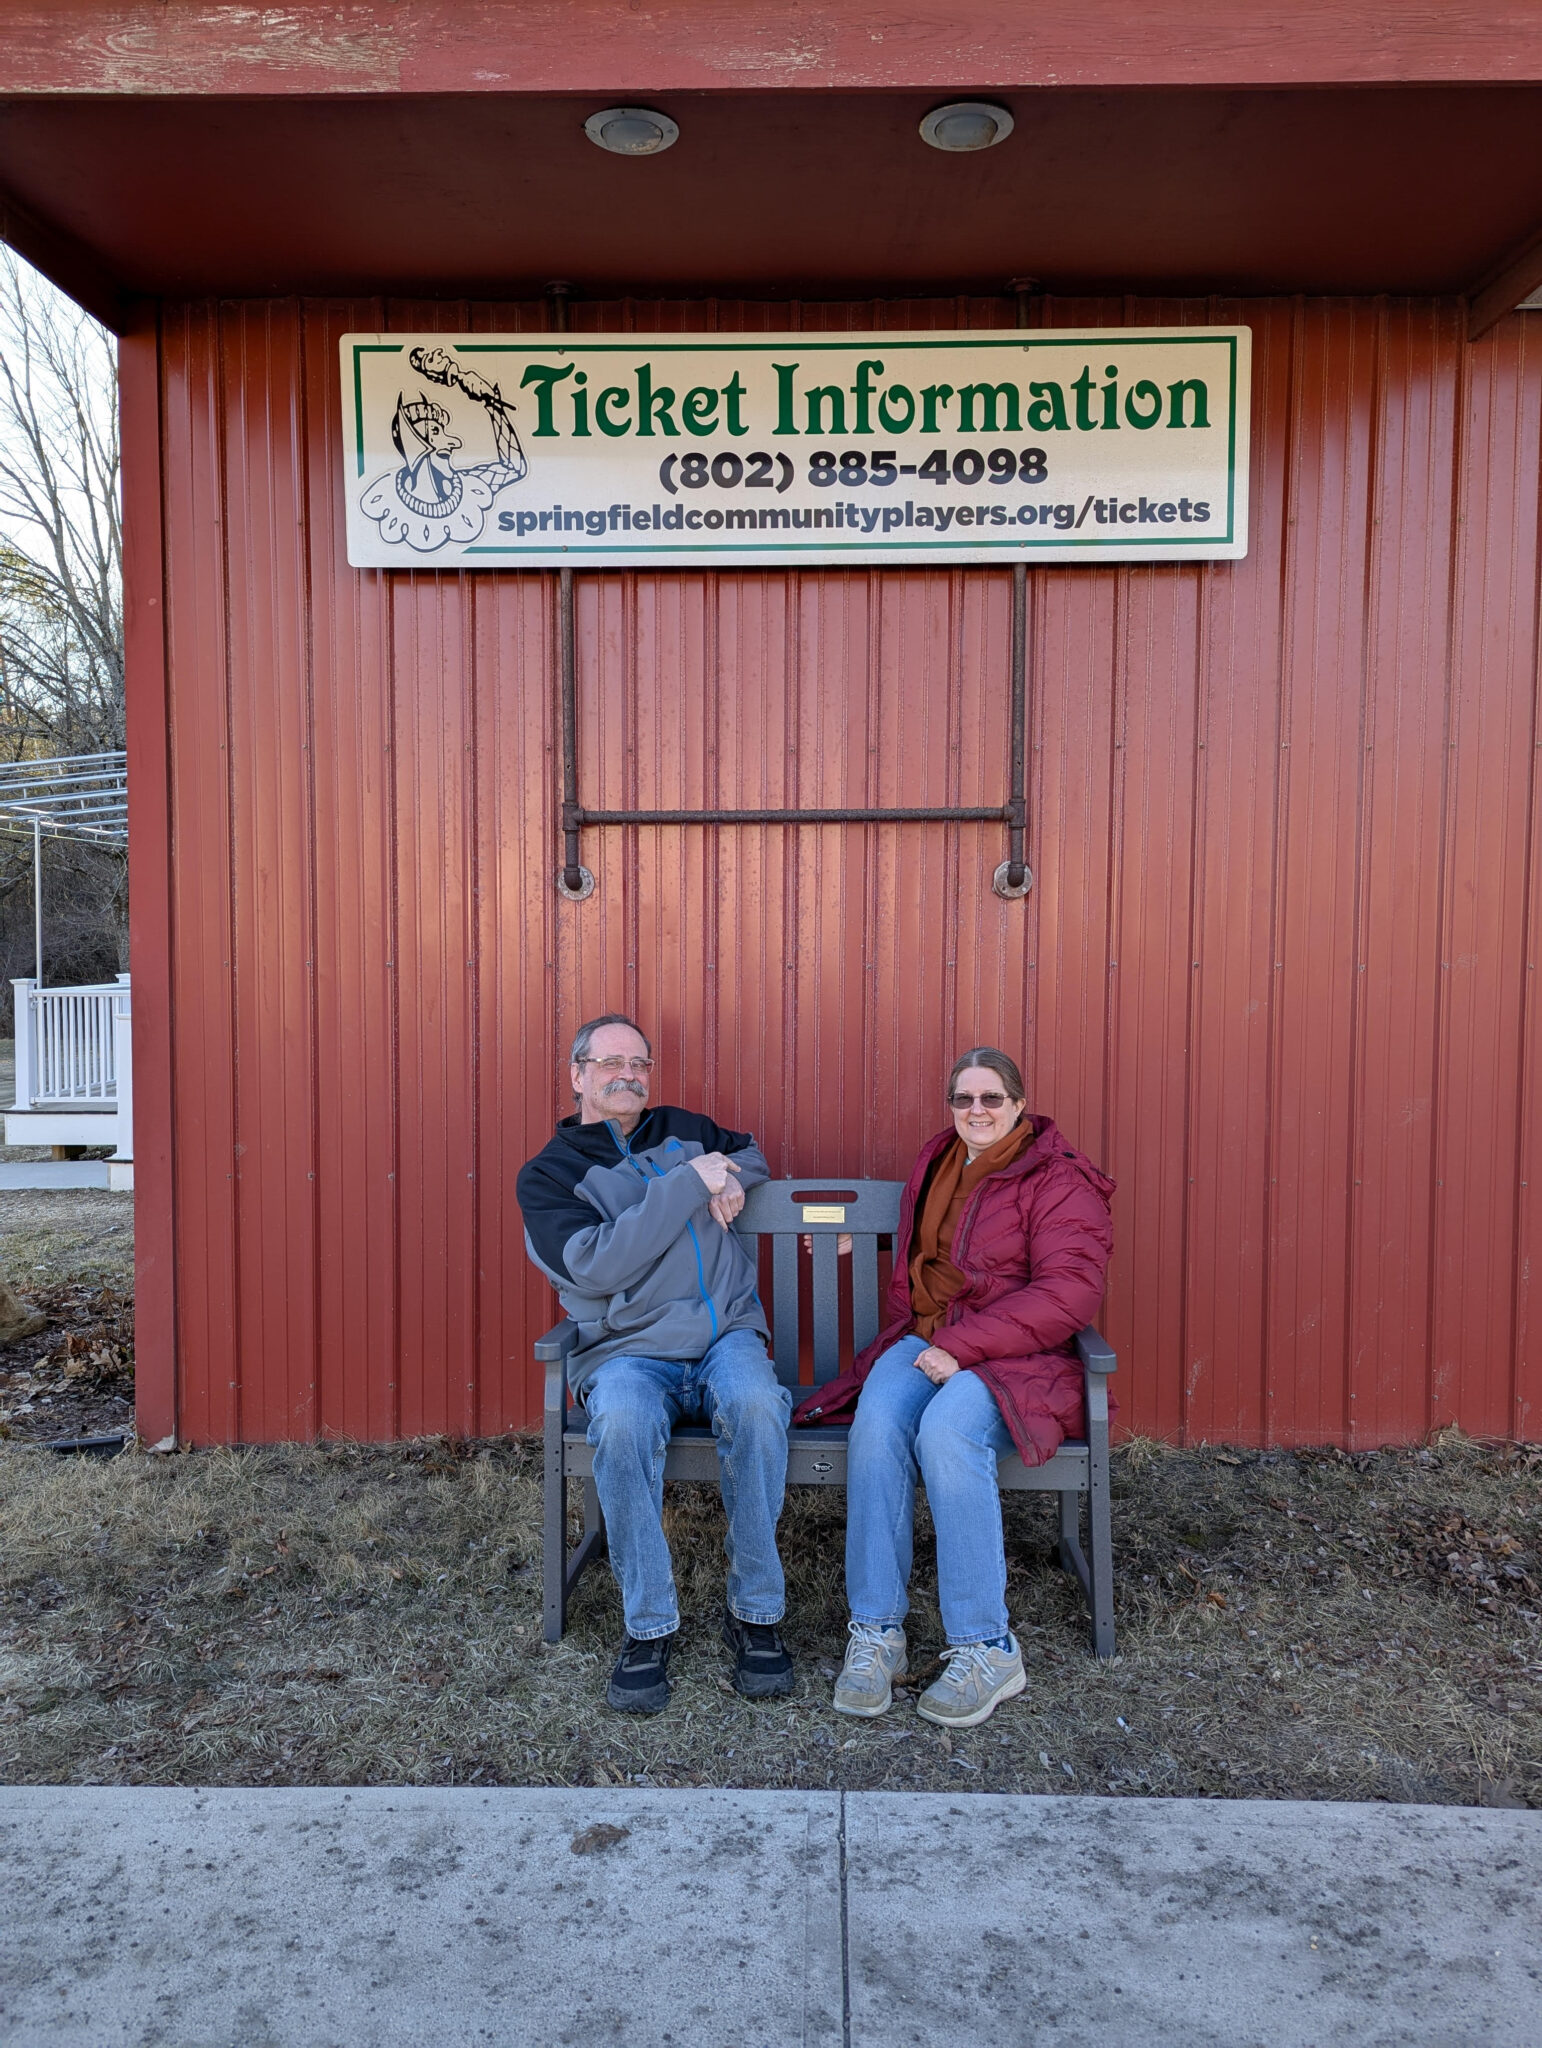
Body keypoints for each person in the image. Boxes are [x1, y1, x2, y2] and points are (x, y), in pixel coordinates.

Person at [793, 1047, 1114, 1728]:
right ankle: (877, 1631)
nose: (977, 1112)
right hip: (930, 1339)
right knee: (877, 1425)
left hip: (1017, 1358)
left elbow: (1069, 1293)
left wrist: (960, 1348)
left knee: (946, 1431)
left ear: (1020, 1105)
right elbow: (951, 1249)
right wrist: (872, 1249)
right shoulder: (943, 1158)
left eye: (991, 1099)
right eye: (964, 1099)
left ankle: (988, 1646)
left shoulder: (1058, 1180)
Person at [517, 1014, 794, 1715]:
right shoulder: (550, 1175)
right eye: (610, 1062)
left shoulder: (684, 1128)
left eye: (639, 1063)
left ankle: (757, 1614)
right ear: (577, 1073)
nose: (628, 1075)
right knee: (620, 1426)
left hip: (725, 1335)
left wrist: (726, 1174)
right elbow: (598, 1263)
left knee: (759, 1407)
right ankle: (648, 1625)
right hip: (628, 1352)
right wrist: (687, 1185)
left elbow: (752, 1154)